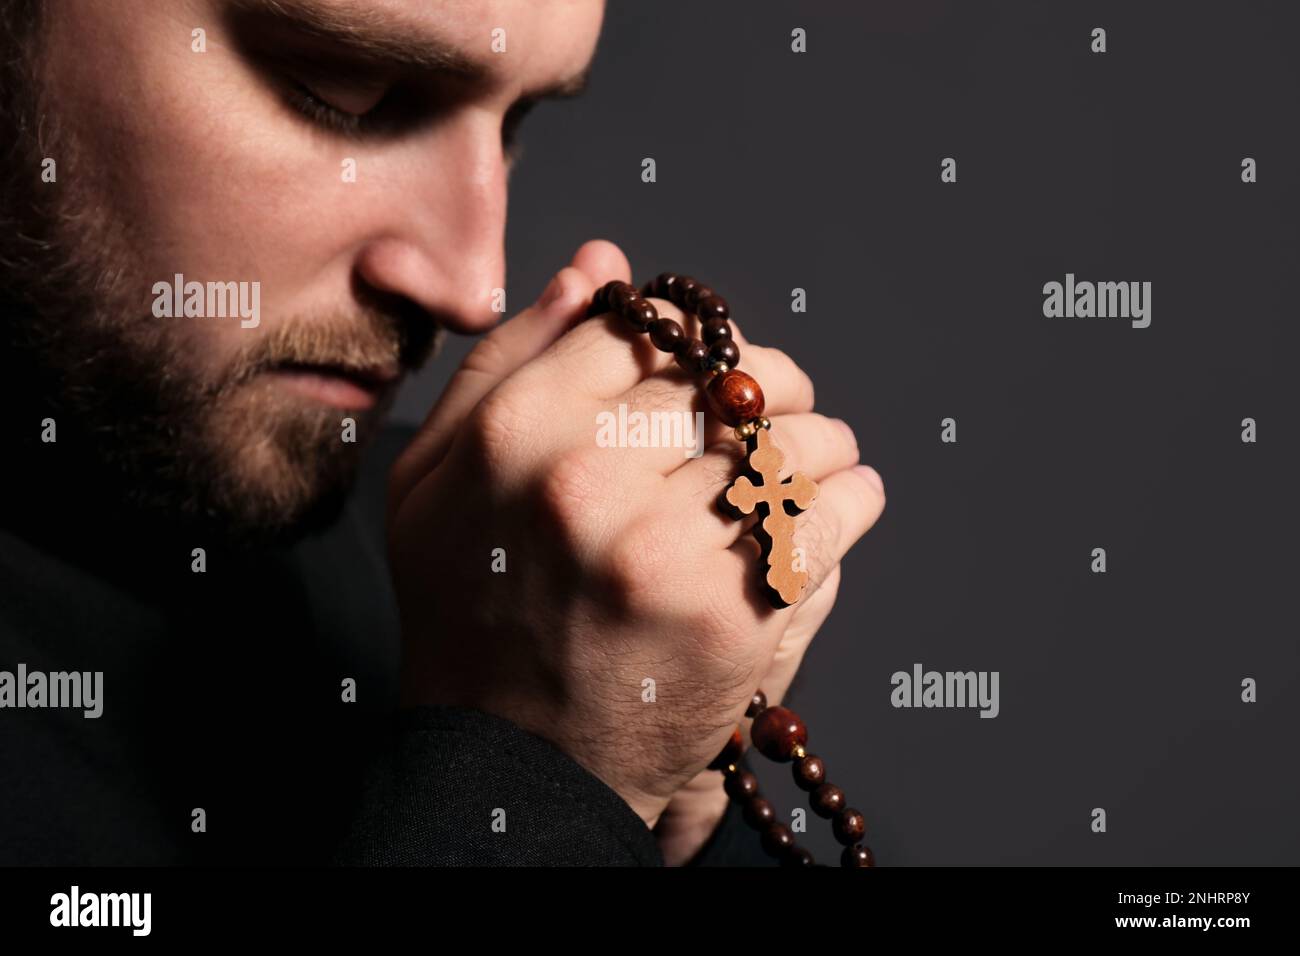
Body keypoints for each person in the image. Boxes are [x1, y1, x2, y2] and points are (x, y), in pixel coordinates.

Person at [0, 0, 885, 866]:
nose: (474, 288)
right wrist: (527, 783)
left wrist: (671, 803)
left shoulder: (489, 571)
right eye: (341, 90)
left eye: (514, 122)